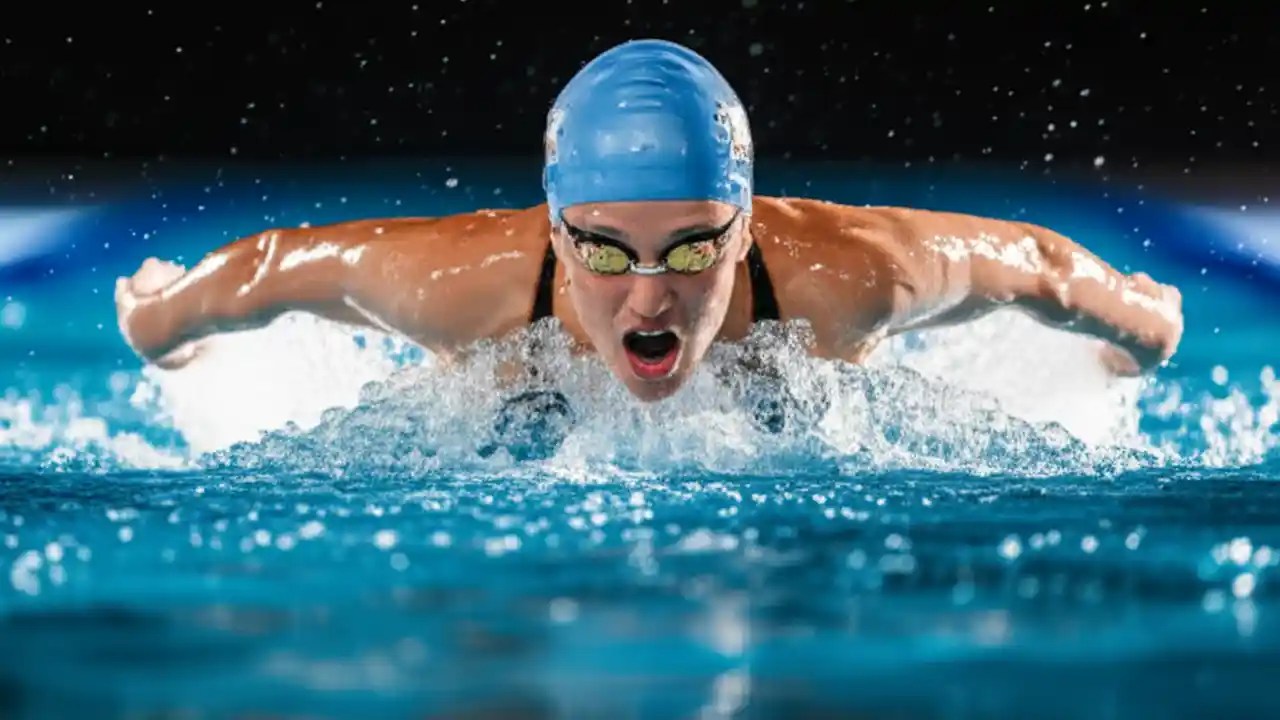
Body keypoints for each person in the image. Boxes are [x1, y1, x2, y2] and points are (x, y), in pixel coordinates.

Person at [115, 38, 1183, 408]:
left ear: (745, 225)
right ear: (554, 225)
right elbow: (272, 269)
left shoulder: (845, 276)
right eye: (602, 250)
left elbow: (1036, 267)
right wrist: (162, 326)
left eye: (691, 249)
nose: (648, 295)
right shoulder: (470, 286)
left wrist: (1140, 332)